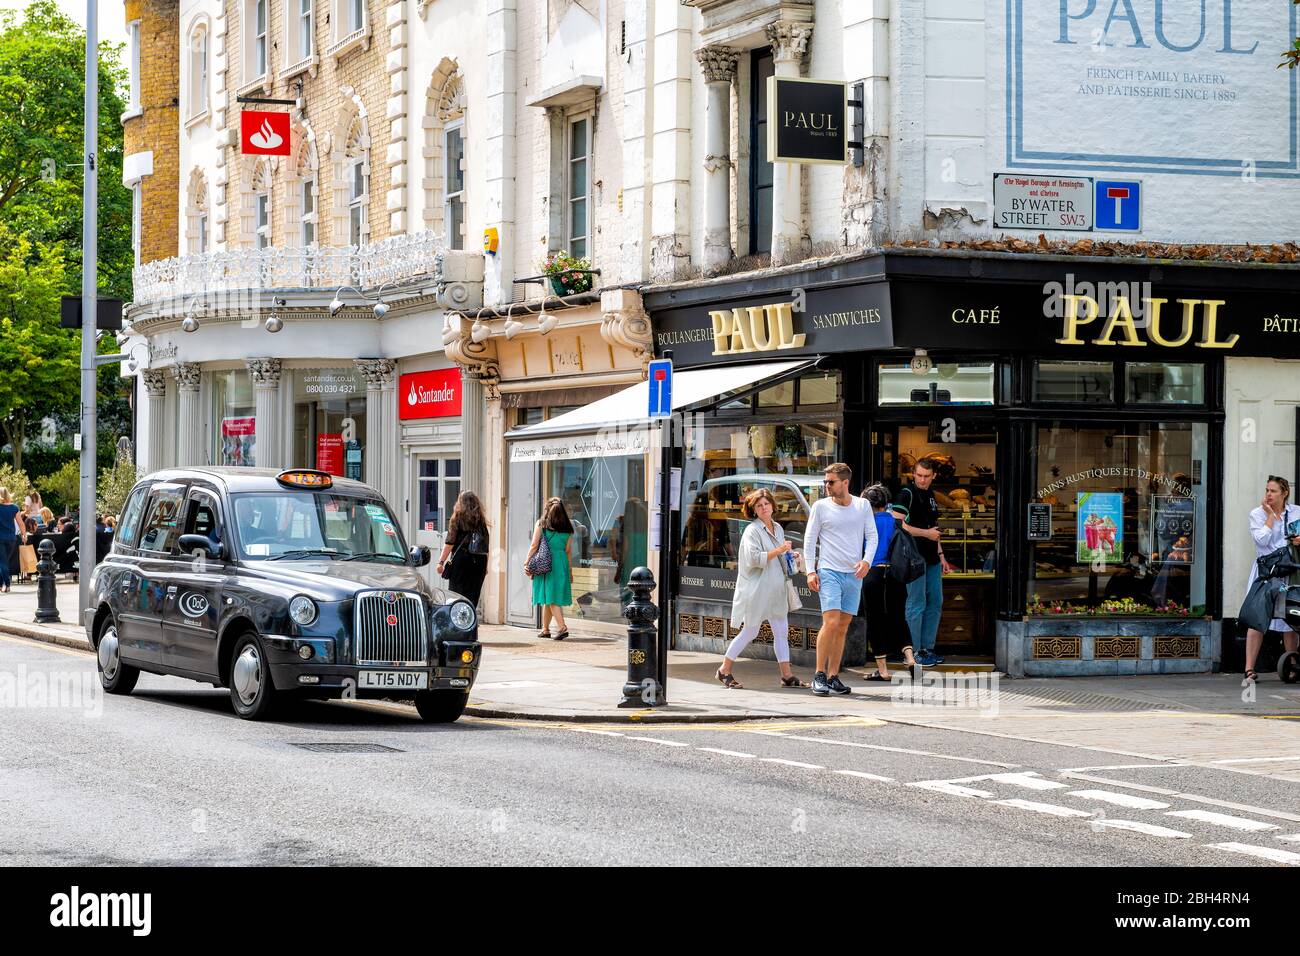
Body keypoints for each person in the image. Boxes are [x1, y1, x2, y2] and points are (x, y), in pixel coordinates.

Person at [715, 488, 808, 689]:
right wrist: (780, 550)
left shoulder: (778, 528)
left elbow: (780, 557)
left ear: (773, 506)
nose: (764, 508)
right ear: (754, 510)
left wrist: (792, 555)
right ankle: (724, 670)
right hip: (757, 590)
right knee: (750, 631)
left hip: (777, 588)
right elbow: (755, 559)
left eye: (766, 504)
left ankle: (787, 675)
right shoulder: (752, 531)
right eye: (759, 505)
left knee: (781, 631)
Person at [804, 463, 877, 696]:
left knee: (843, 626)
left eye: (831, 482)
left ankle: (834, 676)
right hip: (829, 570)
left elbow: (872, 536)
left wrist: (866, 561)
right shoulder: (820, 507)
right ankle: (819, 674)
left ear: (845, 483)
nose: (826, 485)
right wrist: (810, 571)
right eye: (825, 481)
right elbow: (809, 540)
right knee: (832, 622)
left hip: (854, 574)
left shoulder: (862, 505)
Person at [892, 457, 953, 667]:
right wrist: (925, 534)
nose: (922, 480)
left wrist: (942, 555)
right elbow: (897, 522)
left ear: (933, 476)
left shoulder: (932, 496)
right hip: (913, 558)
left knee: (935, 602)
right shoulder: (906, 493)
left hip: (932, 557)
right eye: (919, 475)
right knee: (916, 604)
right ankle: (914, 652)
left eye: (927, 476)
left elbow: (934, 529)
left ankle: (927, 648)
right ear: (913, 474)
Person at [1243, 476, 1300, 684]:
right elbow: (1261, 540)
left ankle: (1292, 666)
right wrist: (1269, 516)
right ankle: (1249, 668)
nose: (1268, 494)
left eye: (1273, 491)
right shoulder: (1257, 514)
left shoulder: (1296, 512)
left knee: (1291, 618)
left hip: (1289, 571)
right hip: (1266, 573)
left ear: (1284, 493)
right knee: (1257, 618)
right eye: (1267, 490)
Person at [858, 484, 916, 681]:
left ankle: (882, 670)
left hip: (873, 572)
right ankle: (910, 658)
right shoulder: (895, 521)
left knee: (875, 619)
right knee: (898, 617)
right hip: (895, 574)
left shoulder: (865, 522)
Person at [525, 496, 574, 640]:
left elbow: (534, 545)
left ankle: (562, 627)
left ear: (547, 509)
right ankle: (545, 629)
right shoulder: (568, 528)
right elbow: (568, 551)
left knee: (551, 598)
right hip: (561, 563)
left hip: (546, 562)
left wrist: (527, 562)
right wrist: (570, 571)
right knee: (549, 596)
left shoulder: (541, 524)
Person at [437, 491, 490, 606]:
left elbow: (450, 542)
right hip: (479, 562)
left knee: (457, 594)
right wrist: (486, 566)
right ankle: (470, 620)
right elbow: (486, 546)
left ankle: (458, 622)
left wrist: (441, 562)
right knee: (473, 594)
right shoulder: (480, 521)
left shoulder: (457, 518)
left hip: (461, 561)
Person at [0, 487, 21, 593]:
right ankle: (1, 584)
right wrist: (24, 535)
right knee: (4, 562)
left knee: (3, 562)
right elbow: (20, 522)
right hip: (12, 539)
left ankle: (6, 584)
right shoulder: (14, 507)